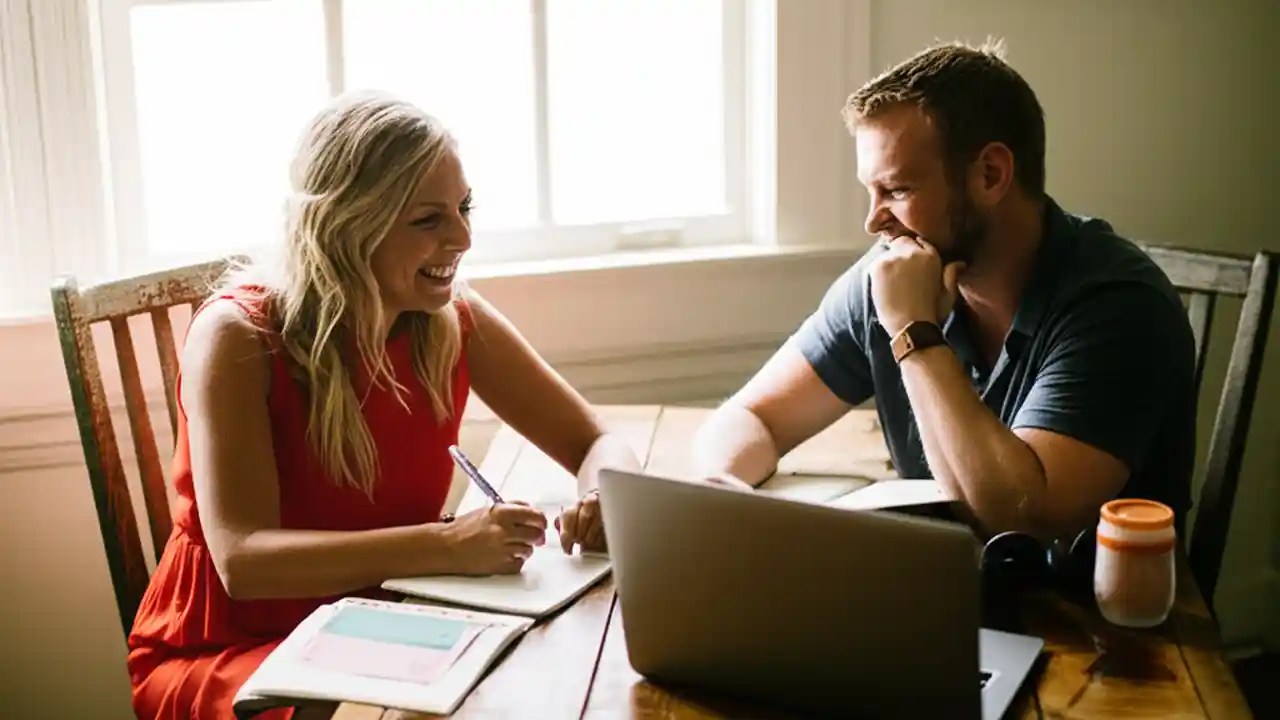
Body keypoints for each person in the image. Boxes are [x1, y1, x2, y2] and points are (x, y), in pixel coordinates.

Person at [127, 91, 640, 719]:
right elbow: (243, 563)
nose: (464, 237)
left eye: (465, 208)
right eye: (429, 220)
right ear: (348, 225)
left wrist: (600, 498)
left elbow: (597, 440)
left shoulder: (453, 322)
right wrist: (446, 547)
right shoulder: (238, 336)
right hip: (235, 652)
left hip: (385, 626)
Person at [693, 41, 1196, 544]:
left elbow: (1026, 523)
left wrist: (913, 334)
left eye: (897, 190)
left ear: (990, 175)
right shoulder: (893, 274)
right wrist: (724, 493)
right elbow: (751, 415)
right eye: (871, 191)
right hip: (938, 592)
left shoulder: (1121, 307)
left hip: (1078, 615)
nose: (873, 221)